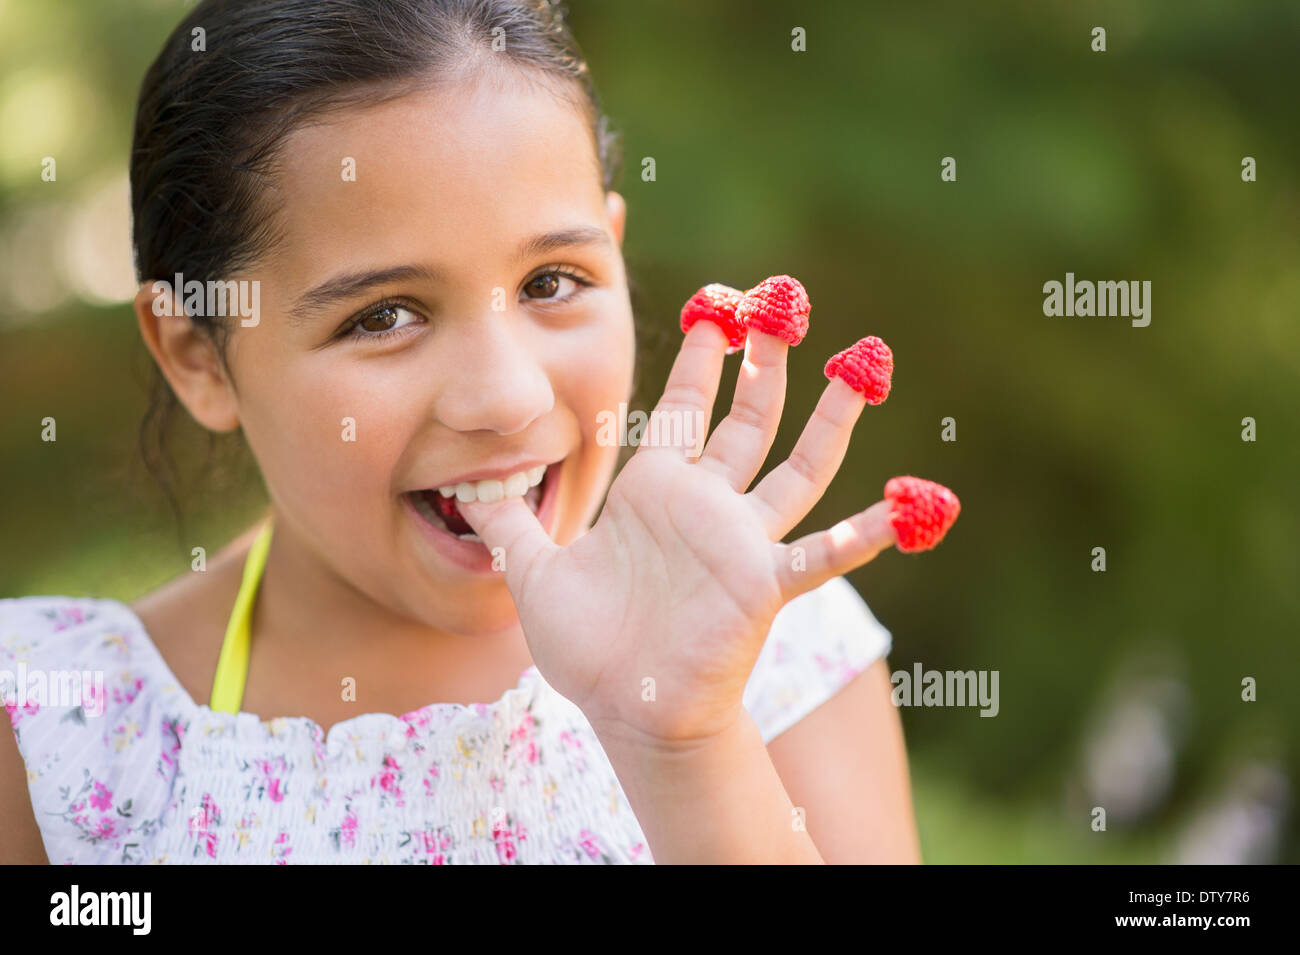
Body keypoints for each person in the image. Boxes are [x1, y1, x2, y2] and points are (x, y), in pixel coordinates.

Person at [0, 0, 922, 864]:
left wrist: (685, 744)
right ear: (199, 356)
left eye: (551, 282)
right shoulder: (62, 731)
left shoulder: (776, 656)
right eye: (383, 315)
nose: (508, 397)